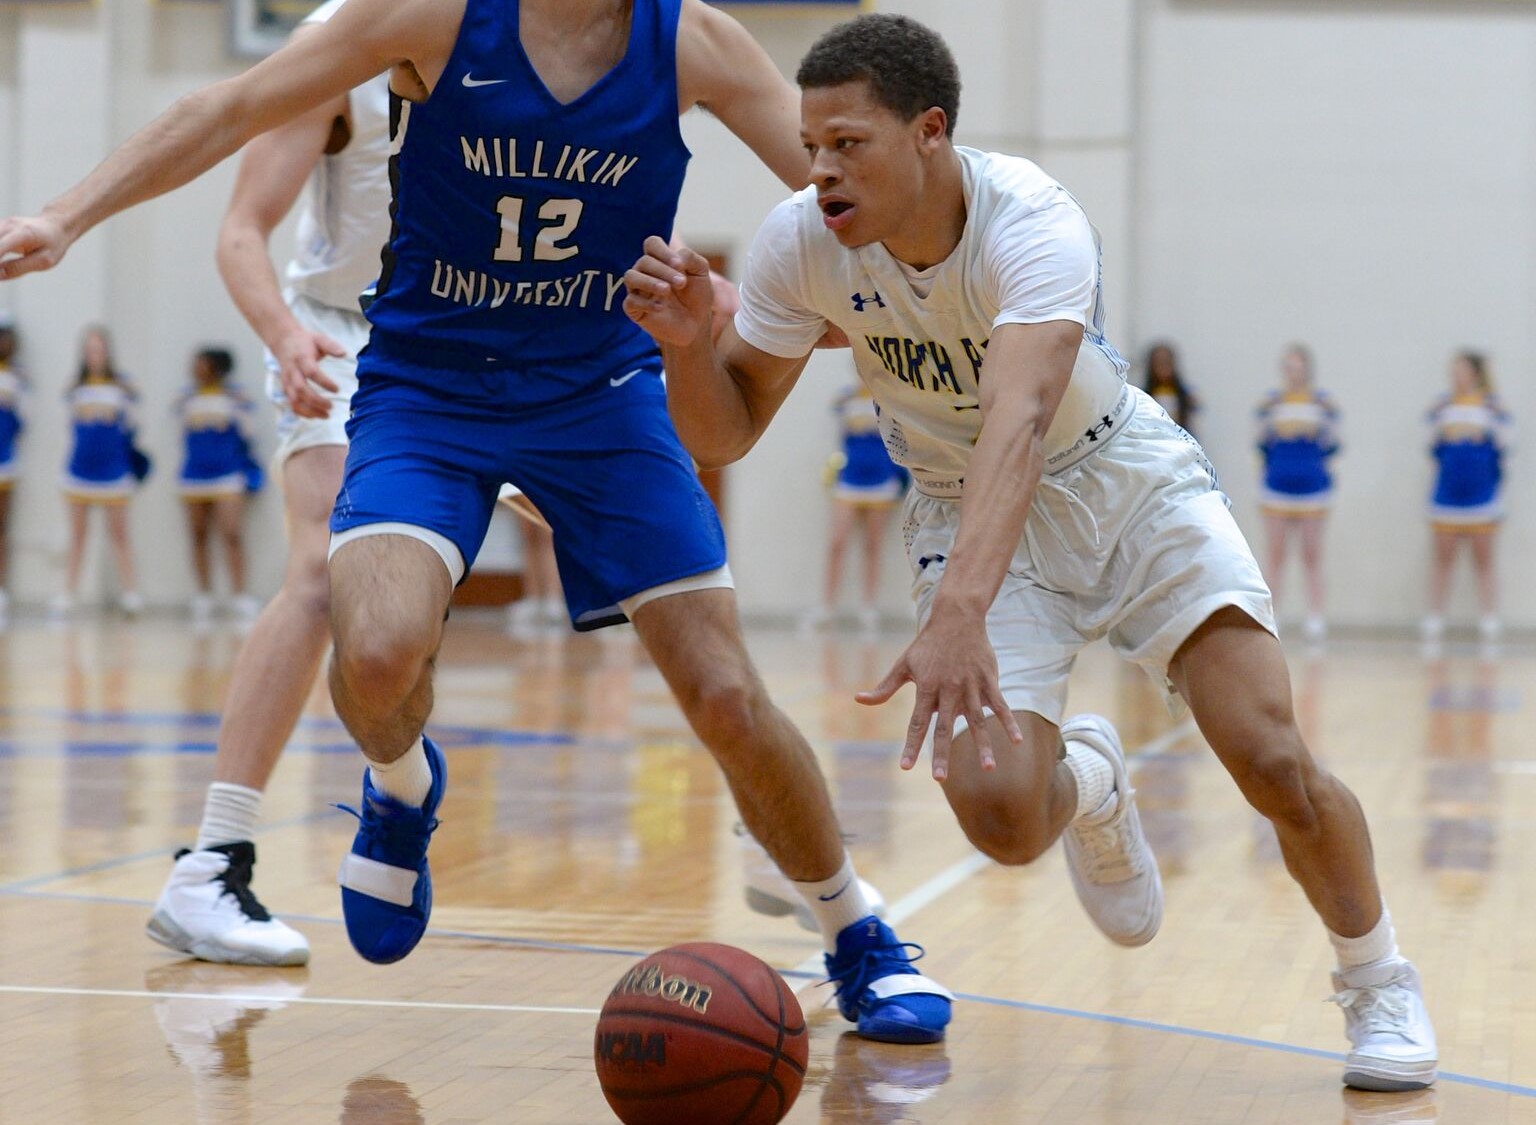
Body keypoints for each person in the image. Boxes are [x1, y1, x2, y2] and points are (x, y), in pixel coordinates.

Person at [0, 0, 951, 1043]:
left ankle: (856, 930)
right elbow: (228, 104)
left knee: (724, 692)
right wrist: (65, 217)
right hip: (429, 388)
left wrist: (751, 303)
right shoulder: (431, 18)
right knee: (372, 647)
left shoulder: (693, 42)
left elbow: (839, 207)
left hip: (603, 391)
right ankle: (401, 789)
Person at [624, 13, 1436, 1090]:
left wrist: (957, 613)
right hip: (965, 509)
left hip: (1123, 486)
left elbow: (1018, 418)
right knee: (1005, 819)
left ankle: (1377, 982)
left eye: (847, 143)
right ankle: (1092, 779)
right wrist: (688, 349)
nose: (818, 168)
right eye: (811, 144)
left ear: (929, 132)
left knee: (1272, 756)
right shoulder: (797, 243)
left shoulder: (1034, 220)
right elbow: (724, 433)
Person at [145, 0, 389, 967]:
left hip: (482, 341)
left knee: (639, 564)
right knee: (325, 570)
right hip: (340, 328)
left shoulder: (536, 39)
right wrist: (288, 338)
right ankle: (211, 862)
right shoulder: (341, 44)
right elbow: (240, 229)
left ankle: (791, 855)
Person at [801, 382, 908, 634]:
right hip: (850, 477)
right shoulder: (846, 398)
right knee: (837, 543)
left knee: (872, 545)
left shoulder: (890, 396)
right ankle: (827, 607)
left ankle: (868, 609)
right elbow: (838, 430)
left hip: (881, 477)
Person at [1422, 351, 1510, 644]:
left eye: (1461, 369)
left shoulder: (1492, 407)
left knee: (1483, 560)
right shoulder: (1442, 407)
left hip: (1482, 497)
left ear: (1474, 372)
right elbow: (1433, 448)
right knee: (1442, 560)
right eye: (1453, 369)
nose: (1456, 374)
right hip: (1447, 496)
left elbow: (1504, 449)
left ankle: (1489, 620)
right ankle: (1434, 619)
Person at [56, 324, 142, 616]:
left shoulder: (123, 388)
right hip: (80, 470)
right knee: (78, 535)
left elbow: (131, 427)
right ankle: (68, 593)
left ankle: (130, 593)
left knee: (119, 535)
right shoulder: (75, 389)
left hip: (114, 471)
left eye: (100, 349)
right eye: (90, 349)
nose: (96, 355)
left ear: (108, 353)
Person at [1255, 343, 1338, 643]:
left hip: (1313, 489)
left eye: (1297, 365)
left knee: (1311, 554)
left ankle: (1315, 617)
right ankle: (1270, 616)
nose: (1292, 371)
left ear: (1307, 368)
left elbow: (1332, 445)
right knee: (1275, 555)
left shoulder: (1322, 404)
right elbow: (1262, 445)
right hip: (1277, 488)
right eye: (1287, 365)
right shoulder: (1271, 404)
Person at [176, 346, 261, 624]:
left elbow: (249, 435)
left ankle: (240, 595)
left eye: (201, 364)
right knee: (198, 534)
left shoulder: (236, 397)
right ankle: (203, 595)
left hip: (228, 473)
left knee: (232, 533)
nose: (195, 368)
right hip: (194, 475)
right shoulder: (187, 397)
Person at [0, 314, 26, 617]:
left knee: (2, 526)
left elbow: (22, 422)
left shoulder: (19, 379)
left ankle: (2, 588)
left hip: (5, 461)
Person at [1141, 341, 1198, 436]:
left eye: (1166, 363)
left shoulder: (1183, 392)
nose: (1163, 368)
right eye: (1159, 364)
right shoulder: (1143, 395)